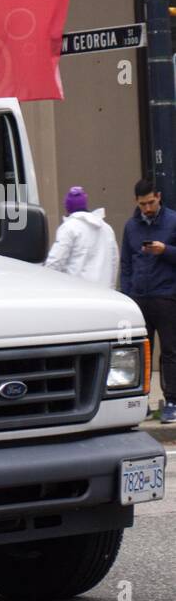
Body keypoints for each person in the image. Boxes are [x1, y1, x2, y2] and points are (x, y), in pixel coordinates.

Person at [120, 178, 176, 423]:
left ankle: (172, 400)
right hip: (139, 297)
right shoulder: (131, 226)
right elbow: (126, 263)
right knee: (142, 351)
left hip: (165, 295)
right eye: (143, 204)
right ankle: (141, 401)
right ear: (136, 202)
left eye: (151, 203)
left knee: (170, 351)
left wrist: (165, 250)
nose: (148, 209)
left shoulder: (172, 221)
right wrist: (128, 293)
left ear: (159, 197)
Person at [44, 186, 119, 287]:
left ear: (67, 208)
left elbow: (54, 263)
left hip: (78, 295)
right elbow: (114, 262)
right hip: (104, 295)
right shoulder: (107, 229)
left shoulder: (69, 228)